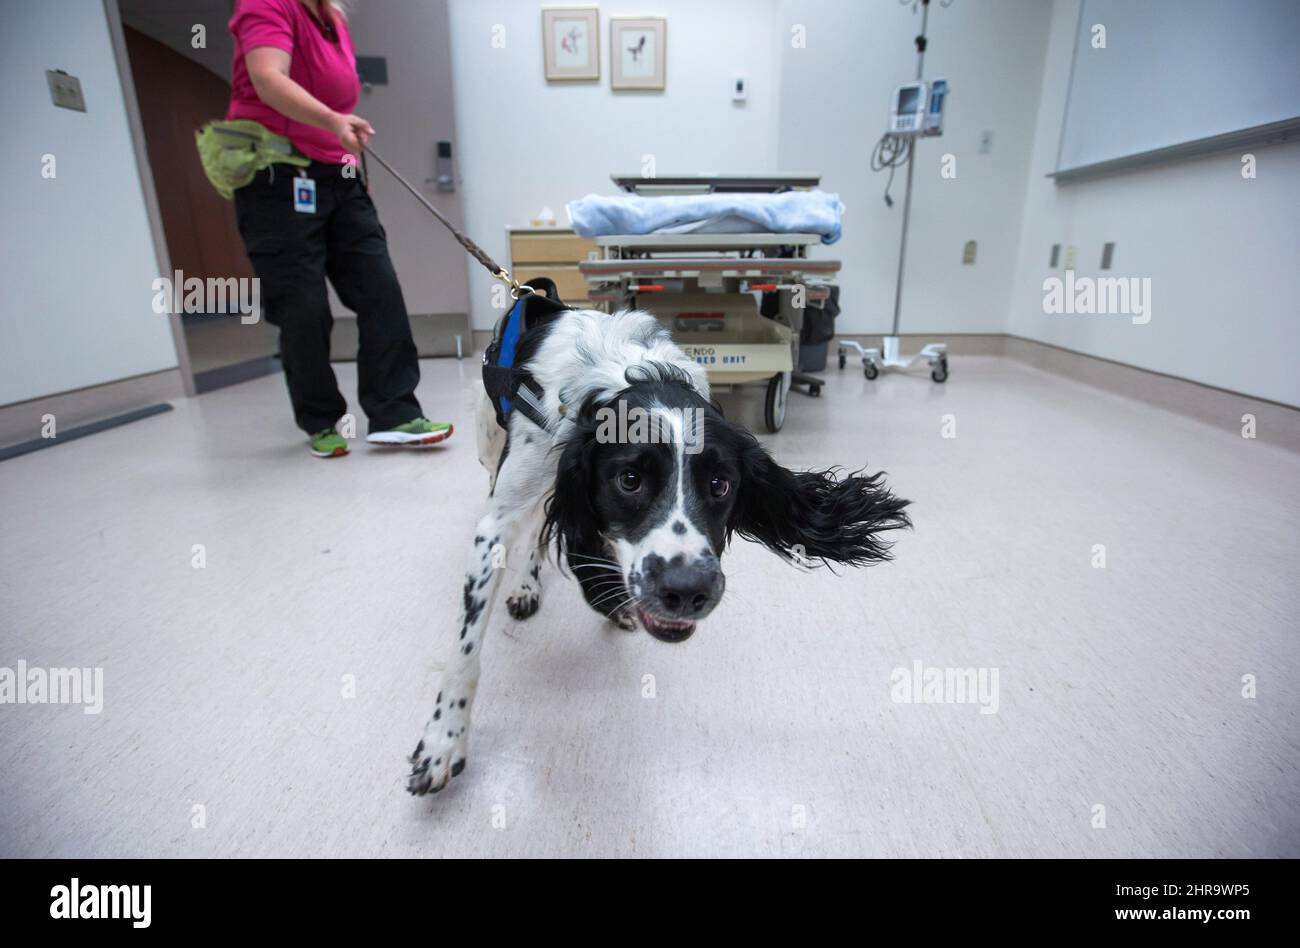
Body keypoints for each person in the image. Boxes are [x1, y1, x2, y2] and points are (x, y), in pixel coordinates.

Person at [226, 0, 452, 457]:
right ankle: (320, 419)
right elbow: (269, 80)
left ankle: (394, 412)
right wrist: (332, 120)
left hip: (338, 174)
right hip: (276, 172)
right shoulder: (267, 5)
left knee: (380, 287)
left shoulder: (334, 18)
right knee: (303, 304)